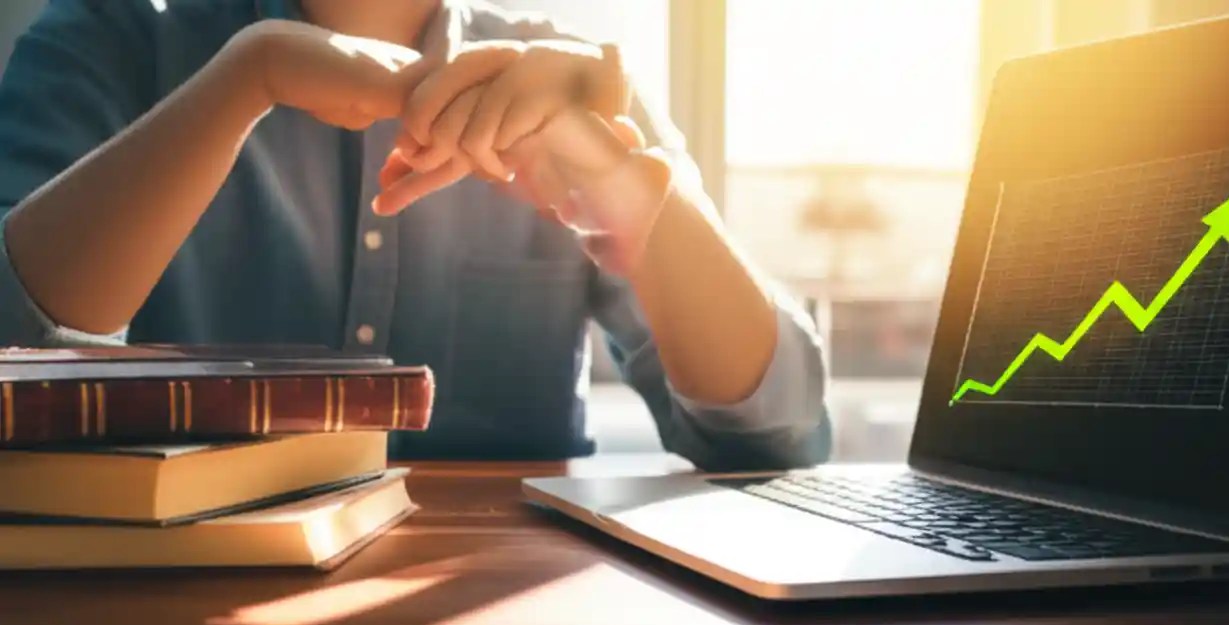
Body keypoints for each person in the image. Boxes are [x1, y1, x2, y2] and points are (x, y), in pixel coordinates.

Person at [0, 0, 831, 469]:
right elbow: (13, 363)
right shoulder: (101, 42)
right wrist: (246, 80)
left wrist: (617, 178)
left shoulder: (573, 85)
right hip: (148, 612)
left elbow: (776, 431)